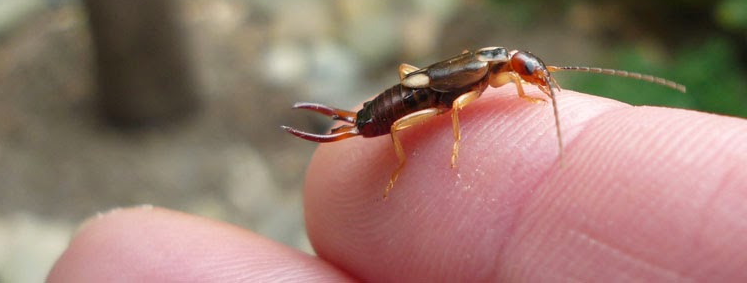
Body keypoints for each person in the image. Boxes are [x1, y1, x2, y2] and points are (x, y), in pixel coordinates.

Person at [48, 86, 747, 281]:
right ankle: (359, 125)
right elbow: (454, 101)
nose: (538, 86)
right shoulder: (490, 78)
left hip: (413, 97)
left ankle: (355, 123)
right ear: (516, 72)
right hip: (411, 104)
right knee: (412, 119)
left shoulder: (498, 75)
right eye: (534, 78)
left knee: (408, 115)